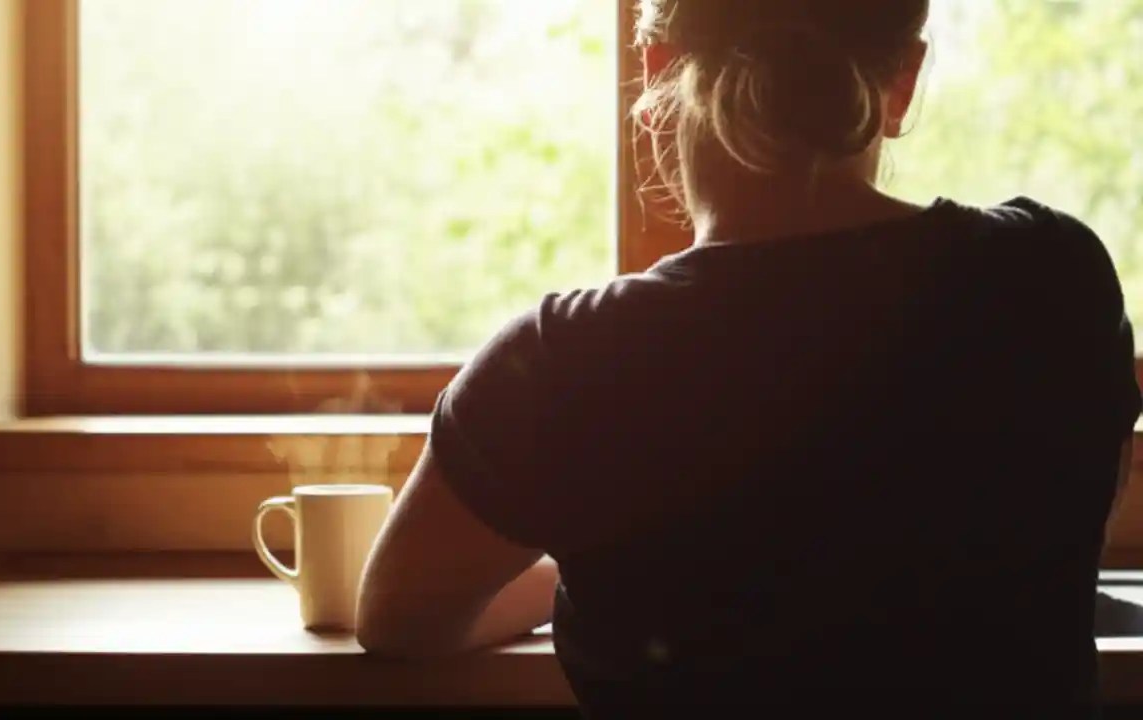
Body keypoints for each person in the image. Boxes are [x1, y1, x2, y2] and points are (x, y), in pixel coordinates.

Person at [355, 0, 1142, 713]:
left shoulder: (566, 365)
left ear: (656, 73)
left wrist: (583, 548)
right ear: (902, 83)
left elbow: (398, 616)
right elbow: (1064, 530)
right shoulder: (1053, 281)